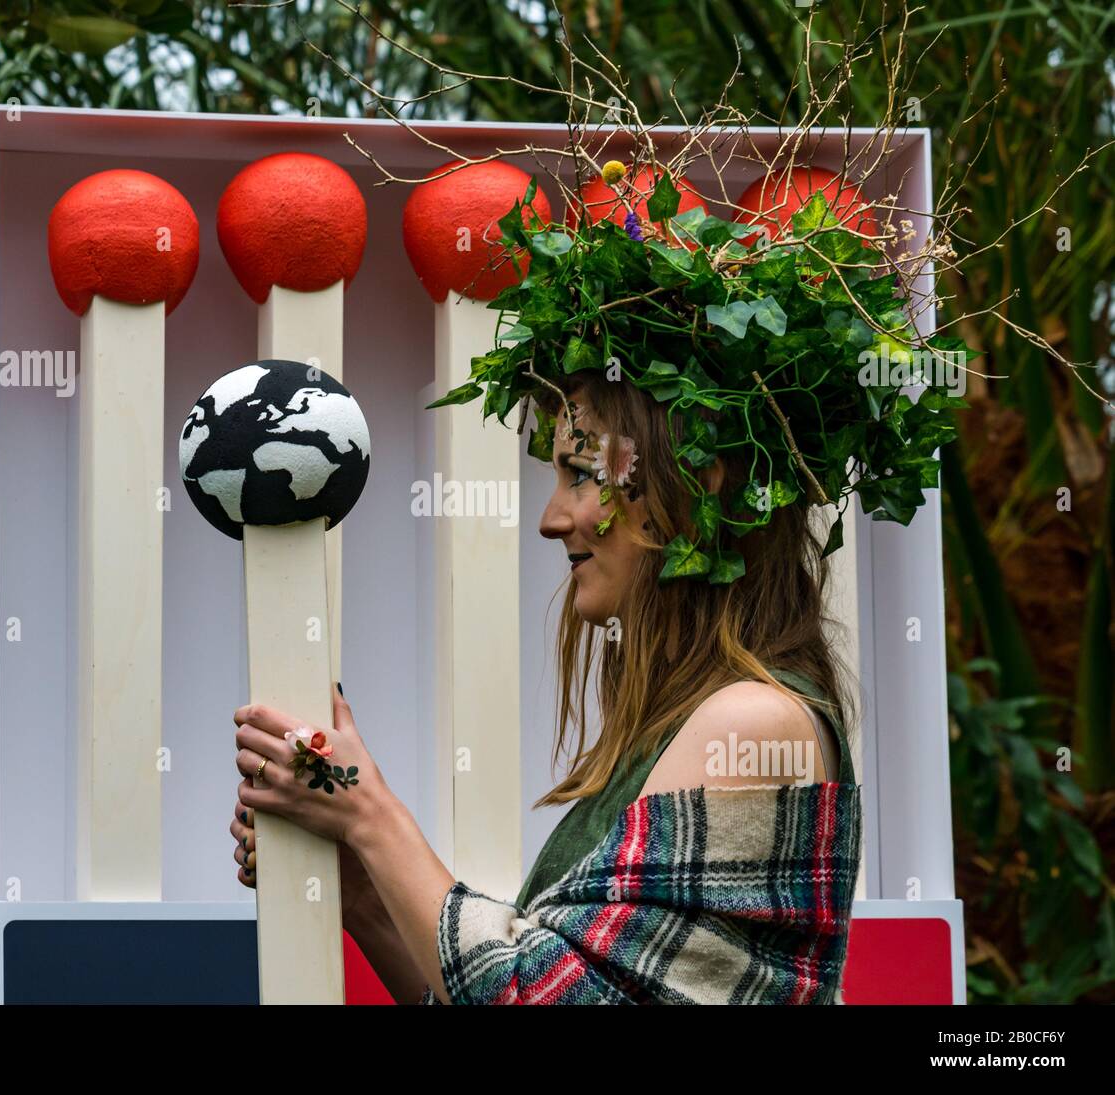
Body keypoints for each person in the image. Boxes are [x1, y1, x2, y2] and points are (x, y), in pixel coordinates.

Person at [228, 368, 861, 1004]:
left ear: (701, 476)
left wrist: (369, 815)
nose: (551, 519)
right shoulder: (699, 720)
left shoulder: (753, 724)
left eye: (581, 474)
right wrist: (361, 888)